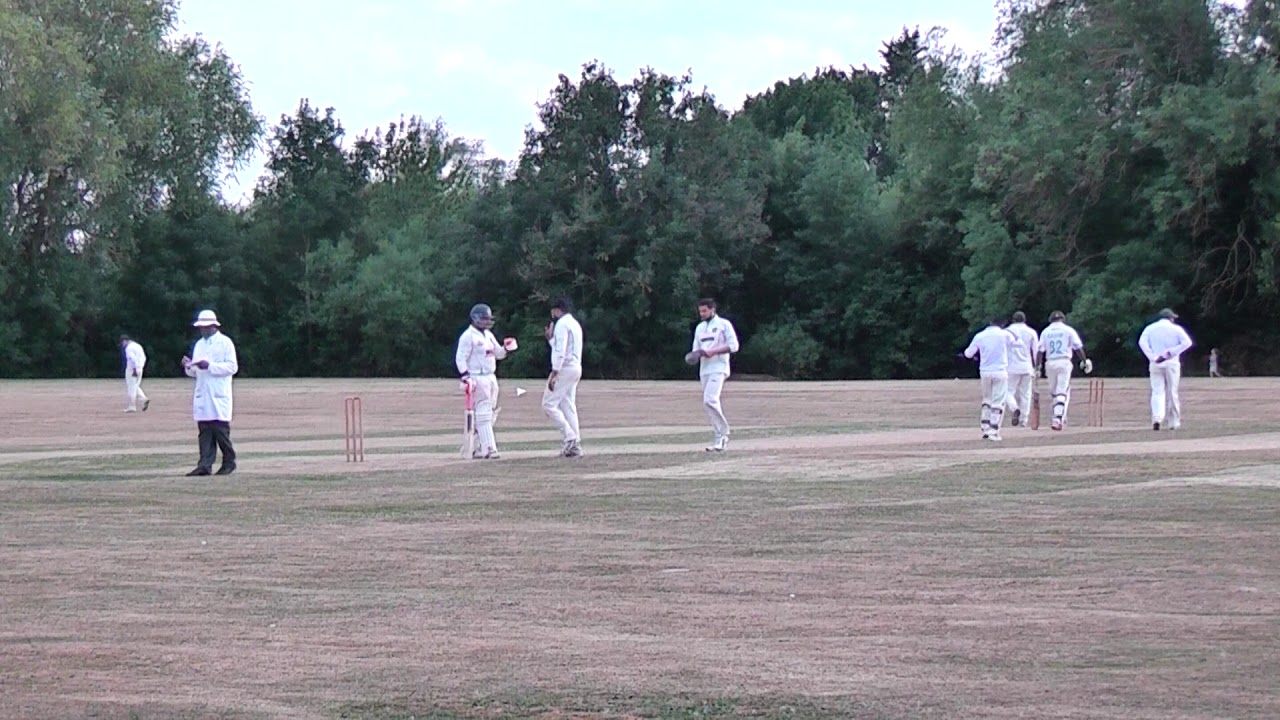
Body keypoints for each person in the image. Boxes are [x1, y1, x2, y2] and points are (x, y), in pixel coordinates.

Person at [455, 303, 517, 460]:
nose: (487, 322)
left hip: (491, 377)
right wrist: (466, 377)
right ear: (475, 318)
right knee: (483, 413)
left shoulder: (488, 335)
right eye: (484, 319)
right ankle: (489, 448)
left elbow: (498, 354)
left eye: (488, 319)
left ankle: (475, 446)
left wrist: (507, 348)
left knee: (490, 412)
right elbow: (460, 358)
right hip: (477, 377)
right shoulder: (468, 336)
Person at [181, 310, 239, 476]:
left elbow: (232, 367)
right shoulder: (199, 344)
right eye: (200, 327)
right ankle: (204, 465)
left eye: (205, 327)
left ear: (213, 326)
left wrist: (210, 366)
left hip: (218, 393)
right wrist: (189, 366)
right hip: (203, 393)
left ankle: (229, 462)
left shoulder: (225, 343)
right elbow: (195, 373)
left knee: (220, 431)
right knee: (204, 431)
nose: (202, 330)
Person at [690, 298, 740, 452]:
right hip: (705, 369)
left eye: (704, 311)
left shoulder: (724, 325)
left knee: (710, 399)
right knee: (708, 403)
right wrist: (695, 356)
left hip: (719, 367)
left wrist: (713, 351)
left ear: (712, 310)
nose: (702, 314)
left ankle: (723, 434)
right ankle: (719, 436)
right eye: (700, 311)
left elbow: (734, 346)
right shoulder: (700, 328)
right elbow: (696, 350)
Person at [1138, 308, 1194, 431]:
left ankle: (1157, 418)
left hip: (1156, 363)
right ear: (1171, 318)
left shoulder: (1150, 328)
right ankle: (1173, 422)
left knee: (1157, 391)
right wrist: (1171, 353)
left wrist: (1153, 357)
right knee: (1172, 392)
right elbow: (1187, 343)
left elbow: (1142, 342)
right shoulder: (1176, 329)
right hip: (1171, 363)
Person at [962, 319, 1017, 441]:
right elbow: (1016, 342)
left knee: (987, 399)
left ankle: (985, 426)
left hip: (985, 372)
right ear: (1001, 324)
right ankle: (993, 431)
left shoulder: (980, 335)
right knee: (998, 401)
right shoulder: (1004, 334)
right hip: (1000, 371)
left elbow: (968, 353)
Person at [543, 297, 584, 458]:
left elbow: (560, 351)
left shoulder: (561, 324)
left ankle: (570, 437)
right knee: (567, 404)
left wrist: (554, 373)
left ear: (557, 309)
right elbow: (564, 347)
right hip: (575, 367)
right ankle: (575, 443)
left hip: (565, 368)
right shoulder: (574, 323)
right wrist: (550, 339)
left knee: (548, 404)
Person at [1036, 310, 1091, 431]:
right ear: (1063, 319)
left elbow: (1040, 351)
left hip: (1050, 363)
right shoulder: (1068, 330)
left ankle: (1060, 416)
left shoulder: (1046, 331)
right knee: (1062, 391)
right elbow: (1078, 347)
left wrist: (1037, 367)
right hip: (1064, 361)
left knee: (1055, 392)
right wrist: (1084, 360)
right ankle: (1057, 418)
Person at [1003, 311, 1039, 428]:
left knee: (1007, 391)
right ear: (1024, 320)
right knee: (1026, 394)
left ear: (1013, 320)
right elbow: (1036, 352)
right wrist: (1037, 367)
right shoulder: (1031, 332)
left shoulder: (1006, 332)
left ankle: (1014, 408)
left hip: (1011, 367)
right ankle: (1024, 420)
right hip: (1027, 366)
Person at [120, 334, 150, 413]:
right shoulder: (138, 346)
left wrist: (135, 368)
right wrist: (140, 367)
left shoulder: (129, 348)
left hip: (132, 369)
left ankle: (132, 406)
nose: (122, 345)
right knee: (135, 386)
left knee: (131, 387)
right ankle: (144, 399)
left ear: (125, 341)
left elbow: (132, 358)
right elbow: (144, 357)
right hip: (140, 368)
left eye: (122, 343)